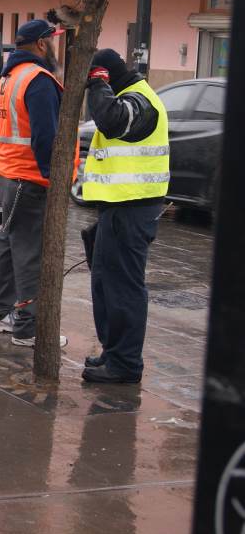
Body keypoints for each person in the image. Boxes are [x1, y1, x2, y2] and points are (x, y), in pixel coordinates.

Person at [0, 19, 75, 348]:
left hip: (9, 173)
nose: (56, 46)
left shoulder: (9, 76)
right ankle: (27, 328)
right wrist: (54, 180)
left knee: (9, 243)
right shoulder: (39, 80)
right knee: (29, 253)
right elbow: (46, 137)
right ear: (41, 44)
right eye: (53, 40)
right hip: (30, 177)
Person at [80, 48, 169, 384]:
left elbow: (113, 120)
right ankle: (113, 351)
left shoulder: (141, 101)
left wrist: (97, 85)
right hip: (118, 206)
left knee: (123, 288)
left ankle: (126, 364)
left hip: (133, 207)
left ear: (107, 76)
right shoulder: (128, 96)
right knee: (105, 283)